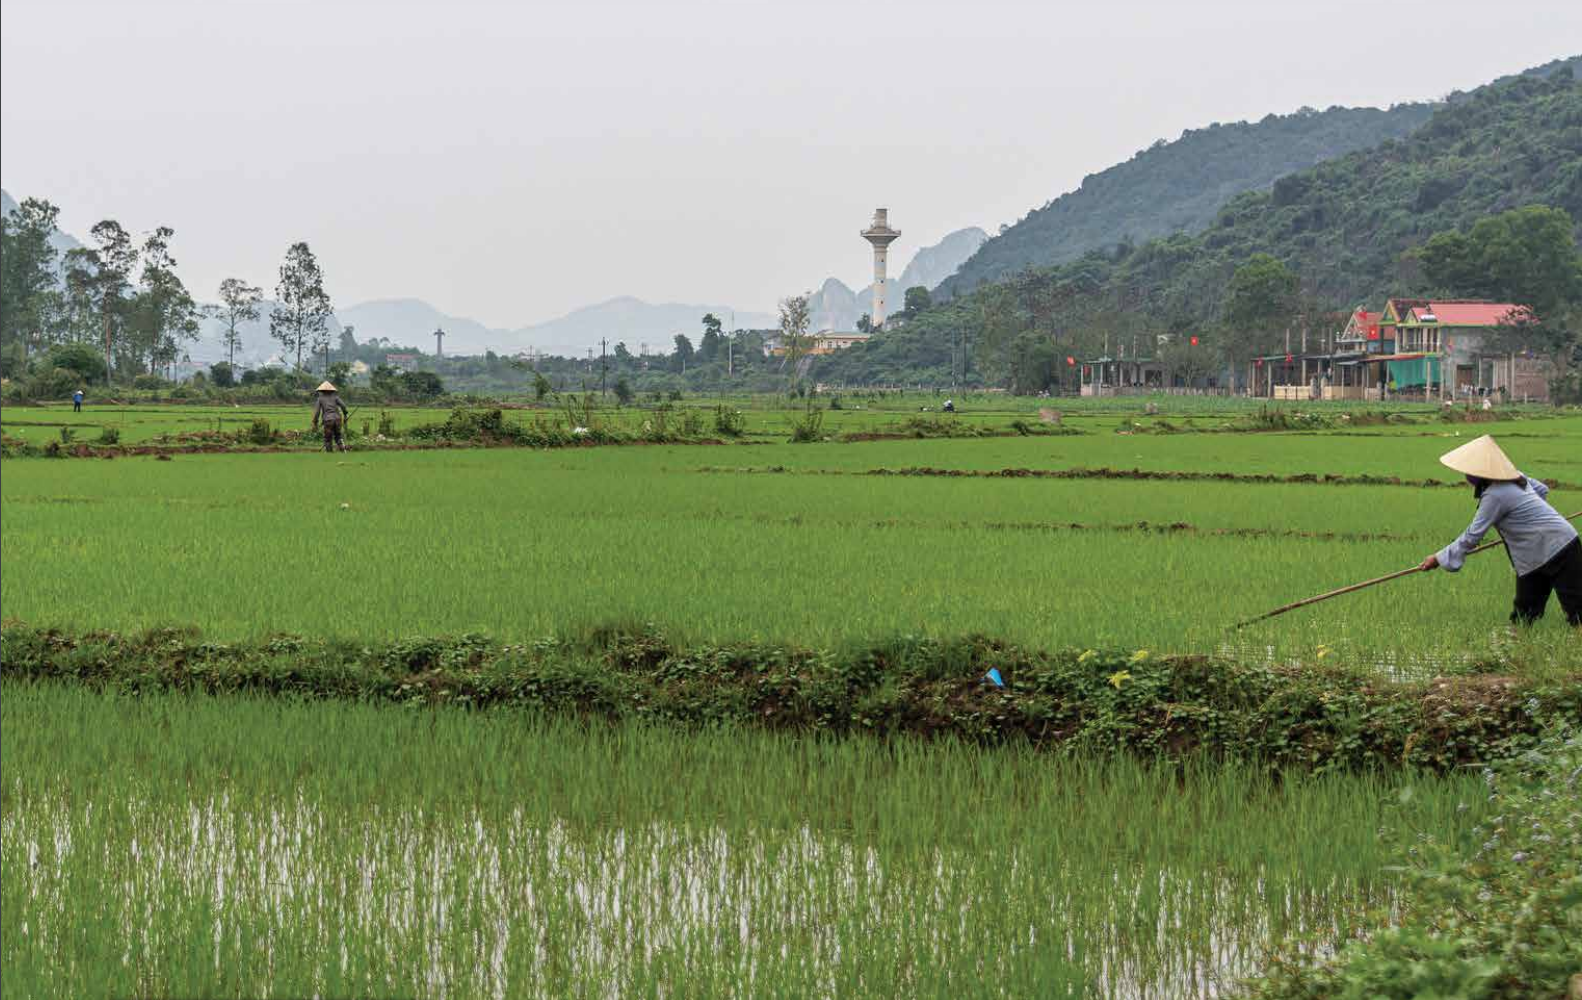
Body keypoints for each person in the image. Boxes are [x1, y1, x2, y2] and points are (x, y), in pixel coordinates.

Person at [1419, 435, 1580, 626]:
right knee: (1523, 615)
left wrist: (1438, 558)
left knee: (1577, 610)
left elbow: (1473, 535)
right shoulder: (1515, 476)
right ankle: (1515, 653)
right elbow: (1542, 490)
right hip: (1533, 557)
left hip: (1560, 549)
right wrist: (1534, 522)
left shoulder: (1495, 494)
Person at [310, 380, 349, 453]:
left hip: (328, 420)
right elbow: (343, 406)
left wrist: (315, 422)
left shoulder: (320, 399)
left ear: (322, 390)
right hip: (337, 419)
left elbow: (317, 412)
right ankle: (343, 451)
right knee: (338, 436)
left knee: (328, 439)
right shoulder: (336, 397)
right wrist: (345, 414)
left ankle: (330, 454)